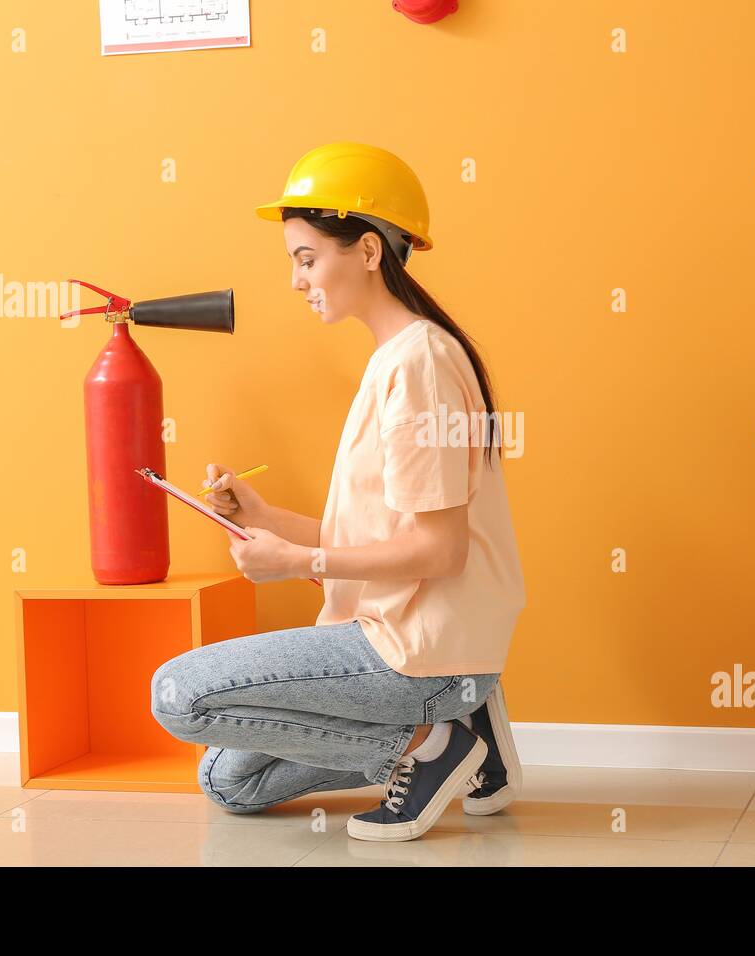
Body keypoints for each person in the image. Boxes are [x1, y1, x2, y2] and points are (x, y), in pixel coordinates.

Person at [150, 142, 526, 842]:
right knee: (228, 781)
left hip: (410, 651)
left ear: (368, 252)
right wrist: (269, 521)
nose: (297, 280)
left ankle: (433, 745)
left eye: (305, 257)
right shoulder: (397, 358)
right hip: (401, 646)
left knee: (177, 694)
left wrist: (298, 564)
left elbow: (438, 553)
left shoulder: (418, 364)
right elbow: (384, 537)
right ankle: (465, 735)